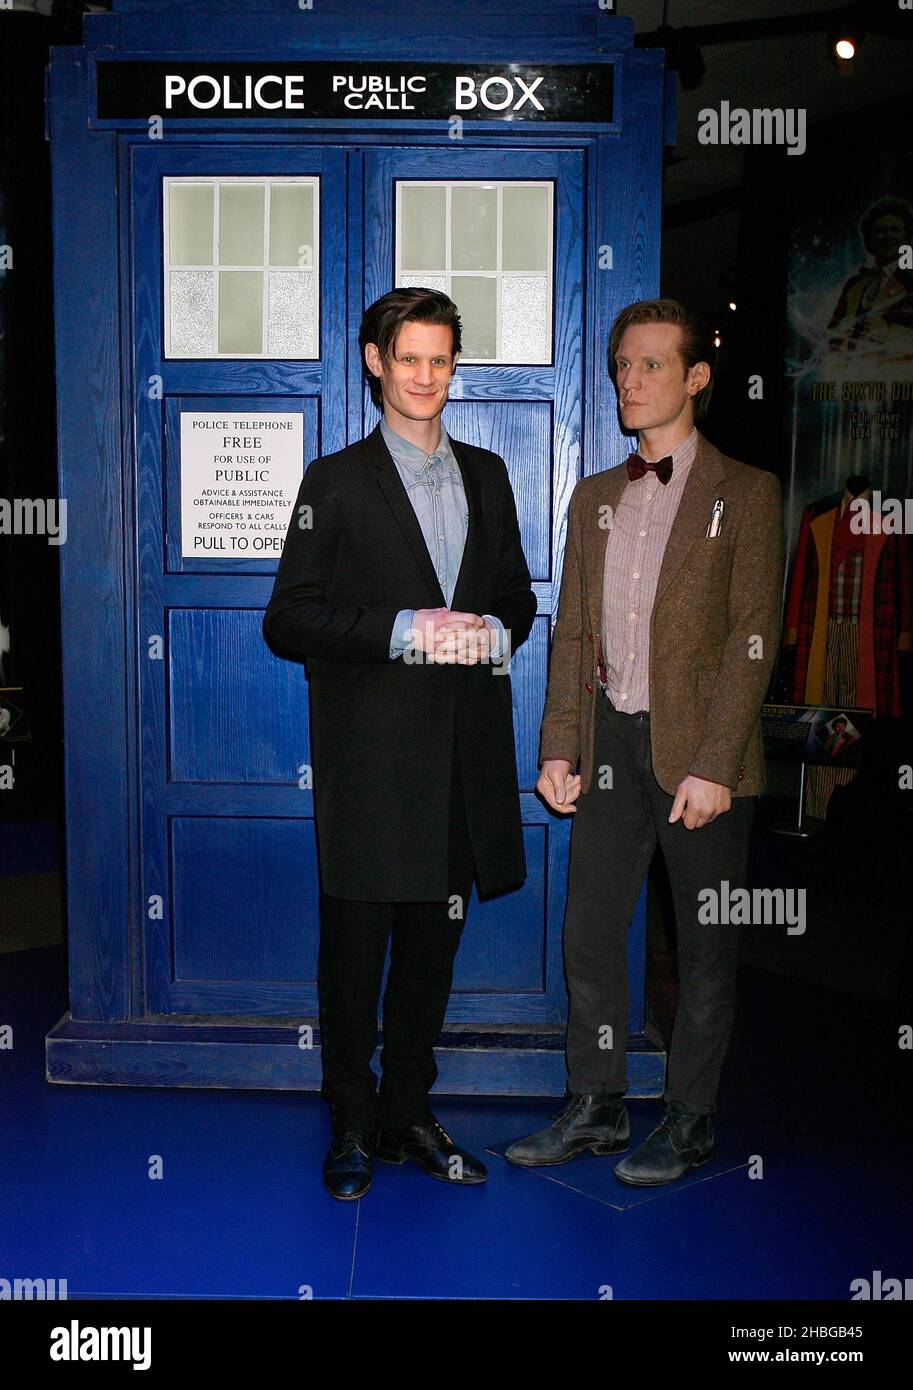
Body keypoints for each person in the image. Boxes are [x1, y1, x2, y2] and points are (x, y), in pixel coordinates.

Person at [263, 287, 536, 1200]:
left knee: (432, 951)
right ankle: (349, 1119)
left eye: (441, 359)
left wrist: (492, 633)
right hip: (371, 765)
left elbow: (517, 600)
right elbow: (288, 619)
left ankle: (406, 1112)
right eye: (407, 357)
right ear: (374, 361)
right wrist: (400, 627)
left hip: (461, 759)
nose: (425, 376)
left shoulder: (491, 475)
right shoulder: (332, 483)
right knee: (352, 956)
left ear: (455, 366)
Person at [506, 297, 784, 1185]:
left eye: (651, 365)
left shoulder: (745, 492)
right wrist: (559, 745)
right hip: (611, 746)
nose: (630, 380)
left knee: (703, 946)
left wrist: (711, 765)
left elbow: (753, 636)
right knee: (589, 935)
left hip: (701, 754)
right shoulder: (594, 496)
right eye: (623, 364)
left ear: (697, 378)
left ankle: (691, 1119)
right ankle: (594, 1105)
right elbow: (570, 633)